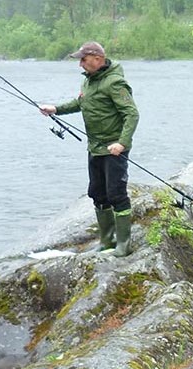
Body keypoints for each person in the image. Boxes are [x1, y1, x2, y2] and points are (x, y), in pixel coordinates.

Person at [39, 41, 140, 257]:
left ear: (97, 59)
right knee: (97, 193)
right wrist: (55, 109)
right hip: (94, 148)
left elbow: (132, 114)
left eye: (83, 60)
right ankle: (107, 241)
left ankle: (124, 245)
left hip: (114, 149)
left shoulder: (115, 83)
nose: (80, 65)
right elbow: (80, 103)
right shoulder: (88, 82)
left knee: (116, 194)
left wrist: (121, 143)